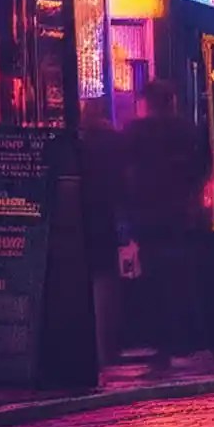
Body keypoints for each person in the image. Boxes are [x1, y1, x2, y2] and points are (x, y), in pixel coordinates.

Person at [119, 80, 214, 372]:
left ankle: (162, 345)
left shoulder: (135, 133)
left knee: (154, 280)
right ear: (171, 101)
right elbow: (204, 168)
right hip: (181, 217)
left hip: (148, 217)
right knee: (184, 279)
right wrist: (190, 196)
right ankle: (188, 341)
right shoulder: (188, 132)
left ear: (148, 102)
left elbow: (126, 173)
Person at [80, 100, 124, 370]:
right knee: (108, 280)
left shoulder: (80, 142)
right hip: (109, 214)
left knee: (95, 278)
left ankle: (99, 347)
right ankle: (109, 346)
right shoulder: (114, 141)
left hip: (85, 214)